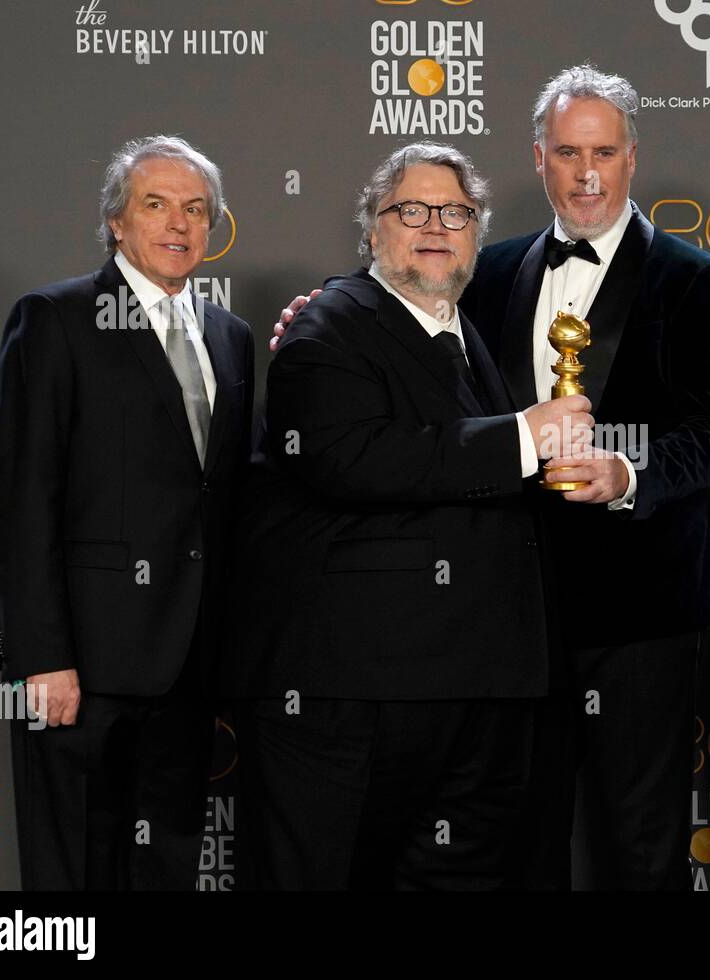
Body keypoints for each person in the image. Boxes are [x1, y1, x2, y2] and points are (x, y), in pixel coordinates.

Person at [274, 66, 710, 891]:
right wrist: (317, 318)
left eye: (604, 152)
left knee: (639, 840)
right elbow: (410, 341)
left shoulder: (694, 278)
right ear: (539, 159)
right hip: (507, 618)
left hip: (641, 609)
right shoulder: (482, 268)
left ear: (633, 157)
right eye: (569, 152)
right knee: (515, 841)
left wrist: (628, 472)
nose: (587, 172)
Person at [222, 142, 592, 890]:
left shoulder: (460, 332)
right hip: (348, 697)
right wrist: (525, 434)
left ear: (477, 233)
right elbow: (351, 458)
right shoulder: (327, 327)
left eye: (456, 212)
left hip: (468, 691)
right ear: (373, 230)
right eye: (411, 210)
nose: (435, 225)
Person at [0, 135, 254, 889]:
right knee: (72, 872)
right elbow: (24, 499)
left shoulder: (230, 339)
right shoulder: (56, 318)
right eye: (156, 204)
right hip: (82, 665)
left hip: (189, 668)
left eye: (196, 209)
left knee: (162, 866)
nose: (179, 224)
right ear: (116, 221)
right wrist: (44, 657)